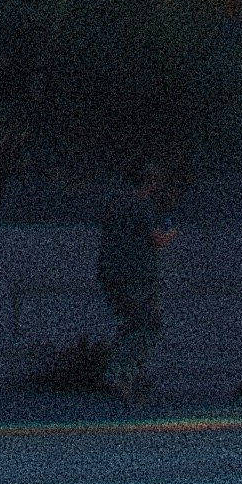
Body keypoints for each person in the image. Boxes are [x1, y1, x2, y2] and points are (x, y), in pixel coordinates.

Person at [96, 157, 165, 401]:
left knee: (131, 324)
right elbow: (155, 238)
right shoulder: (141, 204)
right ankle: (119, 373)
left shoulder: (115, 202)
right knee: (149, 325)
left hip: (111, 273)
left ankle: (123, 380)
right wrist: (173, 234)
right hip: (136, 274)